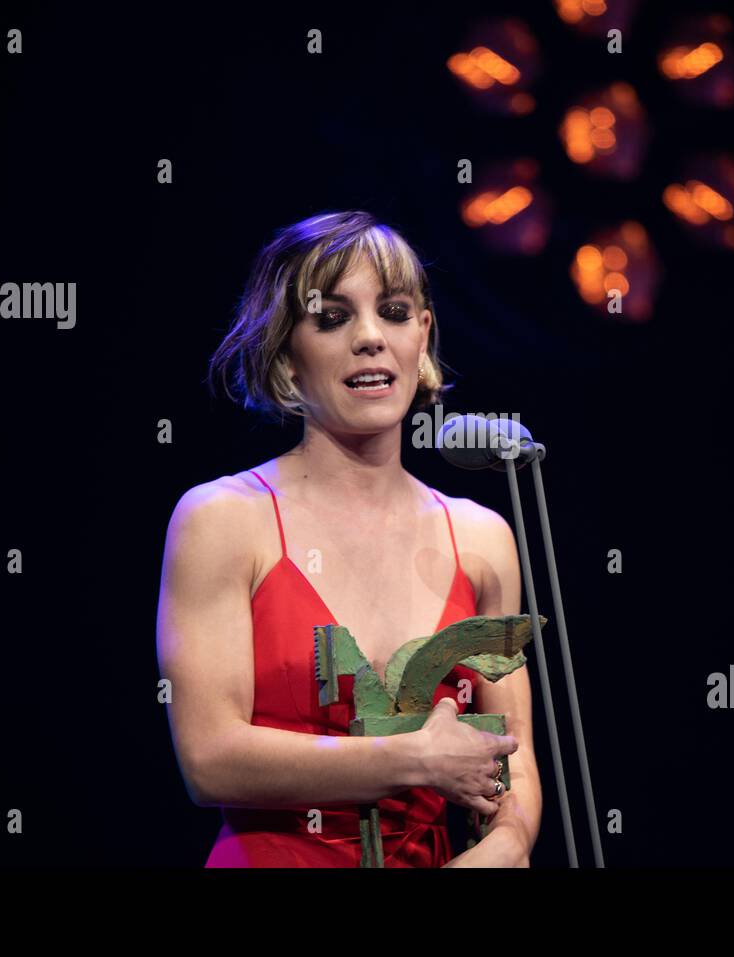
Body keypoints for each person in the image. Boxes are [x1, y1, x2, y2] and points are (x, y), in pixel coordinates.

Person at [156, 210, 540, 866]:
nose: (369, 337)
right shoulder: (221, 518)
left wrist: (507, 842)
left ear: (423, 335)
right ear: (284, 352)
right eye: (332, 317)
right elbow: (210, 758)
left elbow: (515, 760)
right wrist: (411, 759)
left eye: (393, 311)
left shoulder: (482, 534)